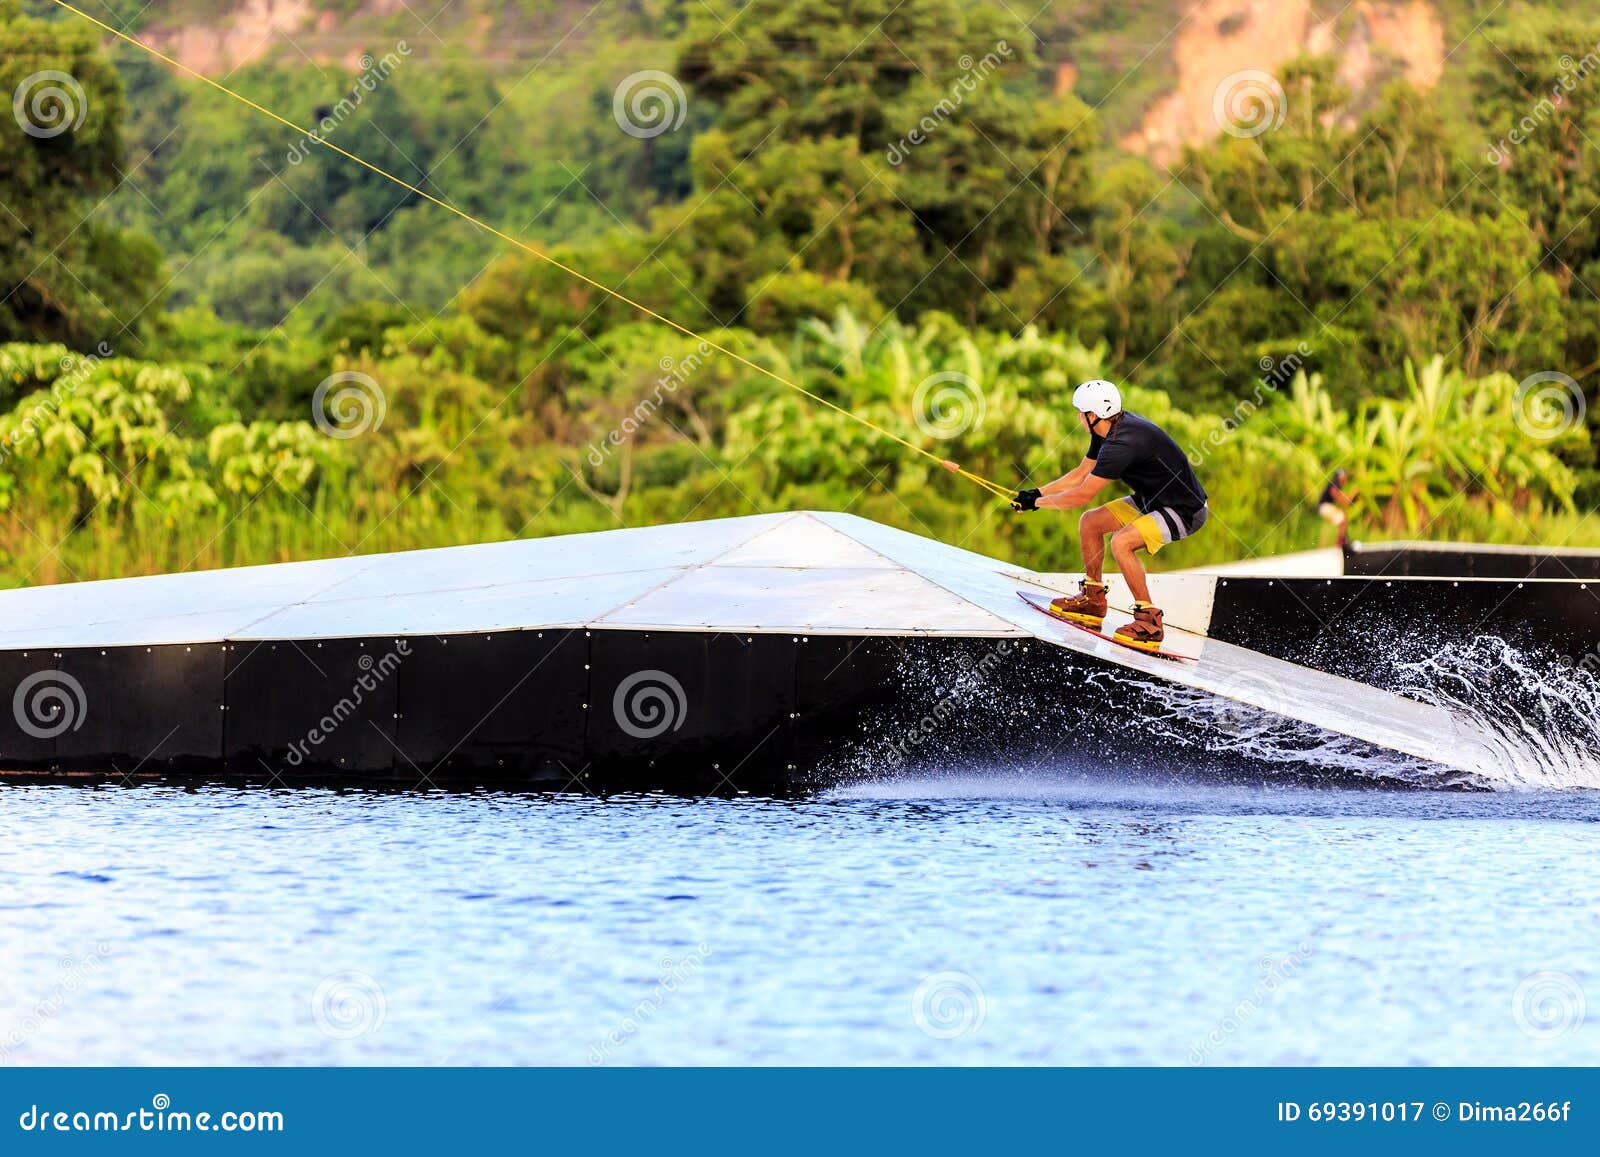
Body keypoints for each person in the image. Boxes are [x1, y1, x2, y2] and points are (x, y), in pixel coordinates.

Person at [1012, 379, 1208, 652]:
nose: (1078, 417)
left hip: (1185, 510)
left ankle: (1150, 621)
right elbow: (1080, 474)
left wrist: (1039, 504)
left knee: (1122, 542)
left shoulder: (1121, 444)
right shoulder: (1106, 429)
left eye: (1081, 412)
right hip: (1151, 500)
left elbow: (1081, 495)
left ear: (1093, 416)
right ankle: (1093, 600)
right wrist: (1034, 493)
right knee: (1090, 523)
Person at [1317, 468, 1354, 547]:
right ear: (1341, 476)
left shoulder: (1336, 485)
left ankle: (1342, 541)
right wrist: (1353, 493)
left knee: (1343, 519)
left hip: (1324, 507)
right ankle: (1341, 543)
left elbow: (1344, 501)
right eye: (1345, 477)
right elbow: (1342, 500)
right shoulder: (1334, 484)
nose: (1346, 479)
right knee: (1343, 518)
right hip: (1325, 507)